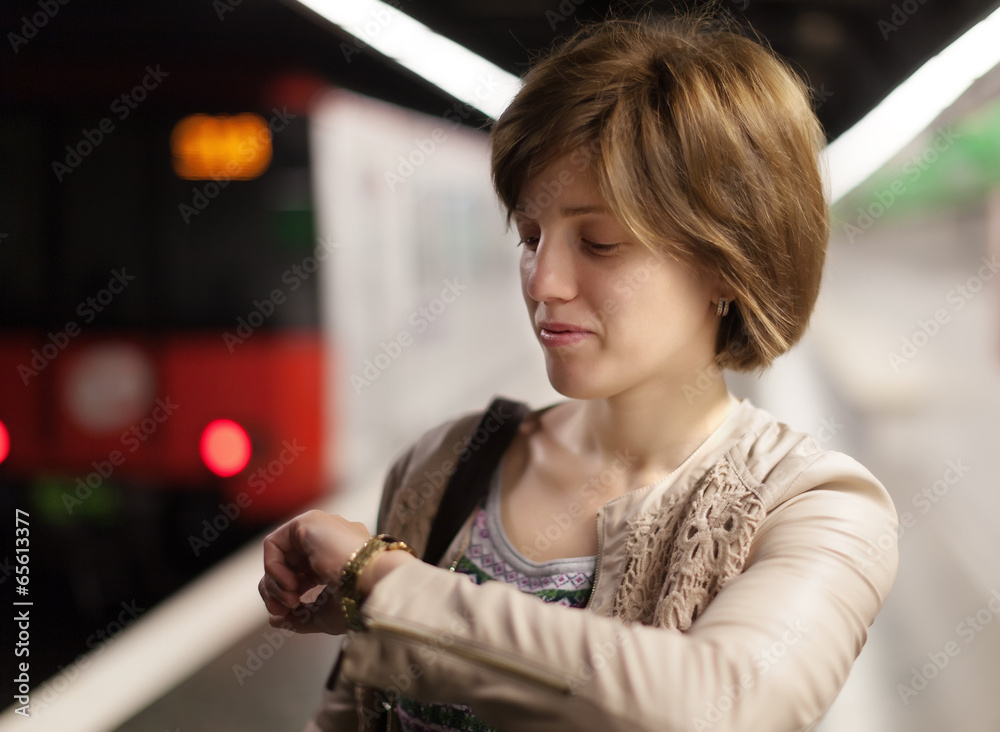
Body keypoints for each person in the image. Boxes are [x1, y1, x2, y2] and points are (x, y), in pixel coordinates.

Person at [259, 10, 899, 732]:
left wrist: (382, 581)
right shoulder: (443, 467)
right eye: (531, 235)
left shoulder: (818, 509)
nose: (542, 281)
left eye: (599, 242)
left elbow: (719, 706)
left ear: (728, 263)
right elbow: (348, 719)